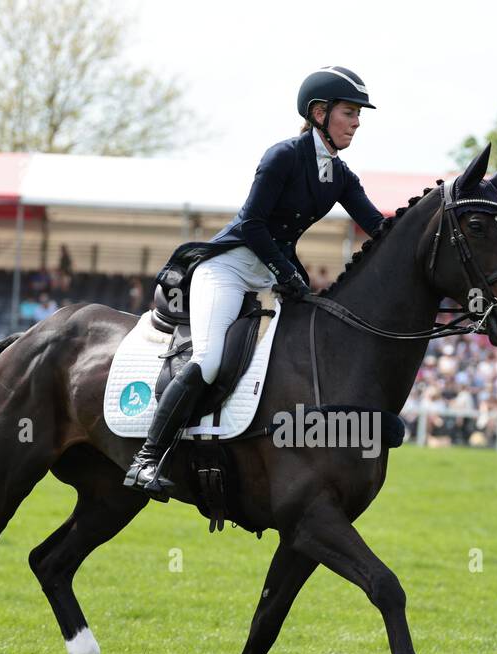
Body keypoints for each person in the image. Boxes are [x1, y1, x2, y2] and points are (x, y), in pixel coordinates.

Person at [124, 66, 386, 498]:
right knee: (208, 360)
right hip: (228, 270)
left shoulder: (338, 175)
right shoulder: (282, 156)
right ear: (319, 112)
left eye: (358, 114)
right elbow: (251, 226)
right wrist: (289, 273)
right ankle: (147, 458)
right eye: (349, 112)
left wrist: (428, 223)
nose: (357, 122)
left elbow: (378, 227)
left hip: (269, 277)